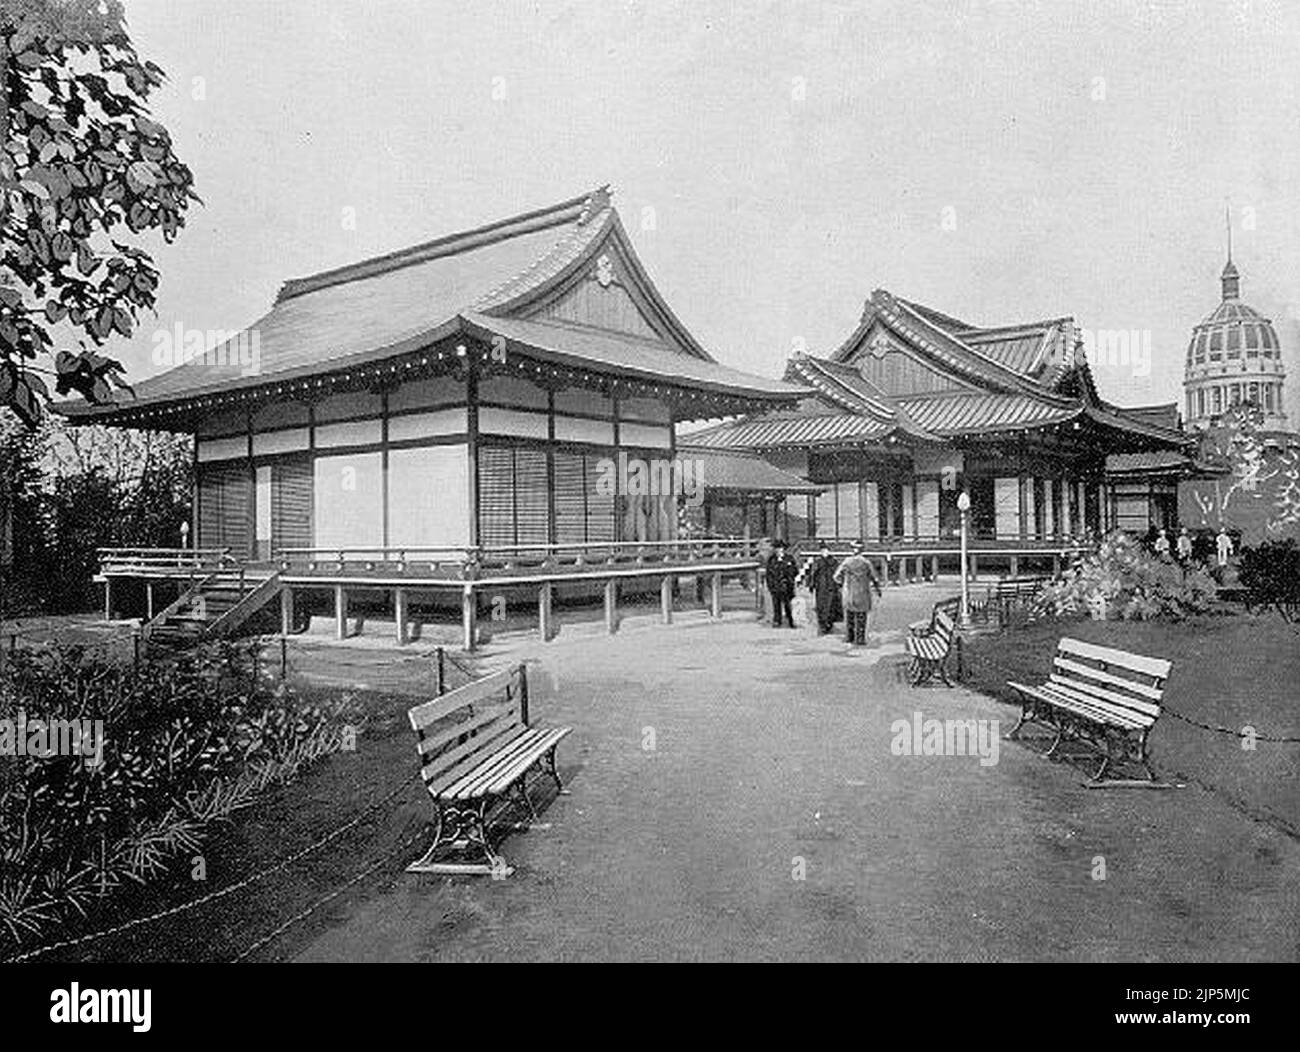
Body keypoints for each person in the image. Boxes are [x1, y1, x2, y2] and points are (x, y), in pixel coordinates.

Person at [833, 540, 882, 645]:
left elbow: (836, 576)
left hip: (849, 593)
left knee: (850, 616)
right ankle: (860, 639)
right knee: (861, 617)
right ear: (862, 550)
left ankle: (850, 637)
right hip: (863, 593)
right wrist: (878, 589)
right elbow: (875, 578)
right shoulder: (866, 562)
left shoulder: (847, 562)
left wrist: (842, 584)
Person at [806, 541, 842, 635]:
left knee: (831, 606)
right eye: (822, 550)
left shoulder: (834, 562)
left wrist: (839, 584)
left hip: (831, 587)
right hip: (821, 587)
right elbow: (813, 574)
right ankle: (822, 626)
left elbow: (838, 574)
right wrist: (811, 585)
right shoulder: (817, 562)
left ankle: (829, 625)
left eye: (826, 550)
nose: (824, 552)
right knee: (821, 607)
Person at [765, 538, 799, 628]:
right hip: (776, 585)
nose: (778, 550)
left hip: (787, 585)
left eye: (780, 548)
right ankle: (777, 621)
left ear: (783, 549)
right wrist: (771, 585)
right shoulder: (771, 560)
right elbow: (768, 573)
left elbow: (795, 571)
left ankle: (791, 620)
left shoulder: (789, 559)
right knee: (776, 604)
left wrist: (789, 576)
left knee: (788, 604)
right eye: (776, 548)